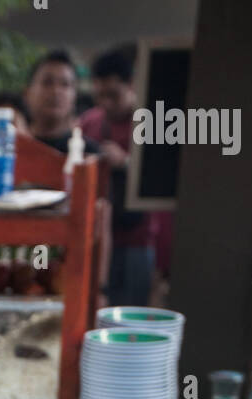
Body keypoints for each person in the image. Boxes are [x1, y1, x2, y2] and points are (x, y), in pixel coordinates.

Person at [80, 45, 158, 306]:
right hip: (98, 237)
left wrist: (124, 161)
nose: (106, 103)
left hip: (137, 239)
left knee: (131, 311)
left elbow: (161, 176)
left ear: (131, 85)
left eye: (113, 95)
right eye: (100, 95)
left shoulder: (150, 121)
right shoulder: (89, 122)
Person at [23, 49, 99, 155]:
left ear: (75, 96)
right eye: (47, 82)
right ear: (27, 93)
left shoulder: (88, 154)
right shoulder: (13, 148)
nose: (56, 91)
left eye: (65, 84)